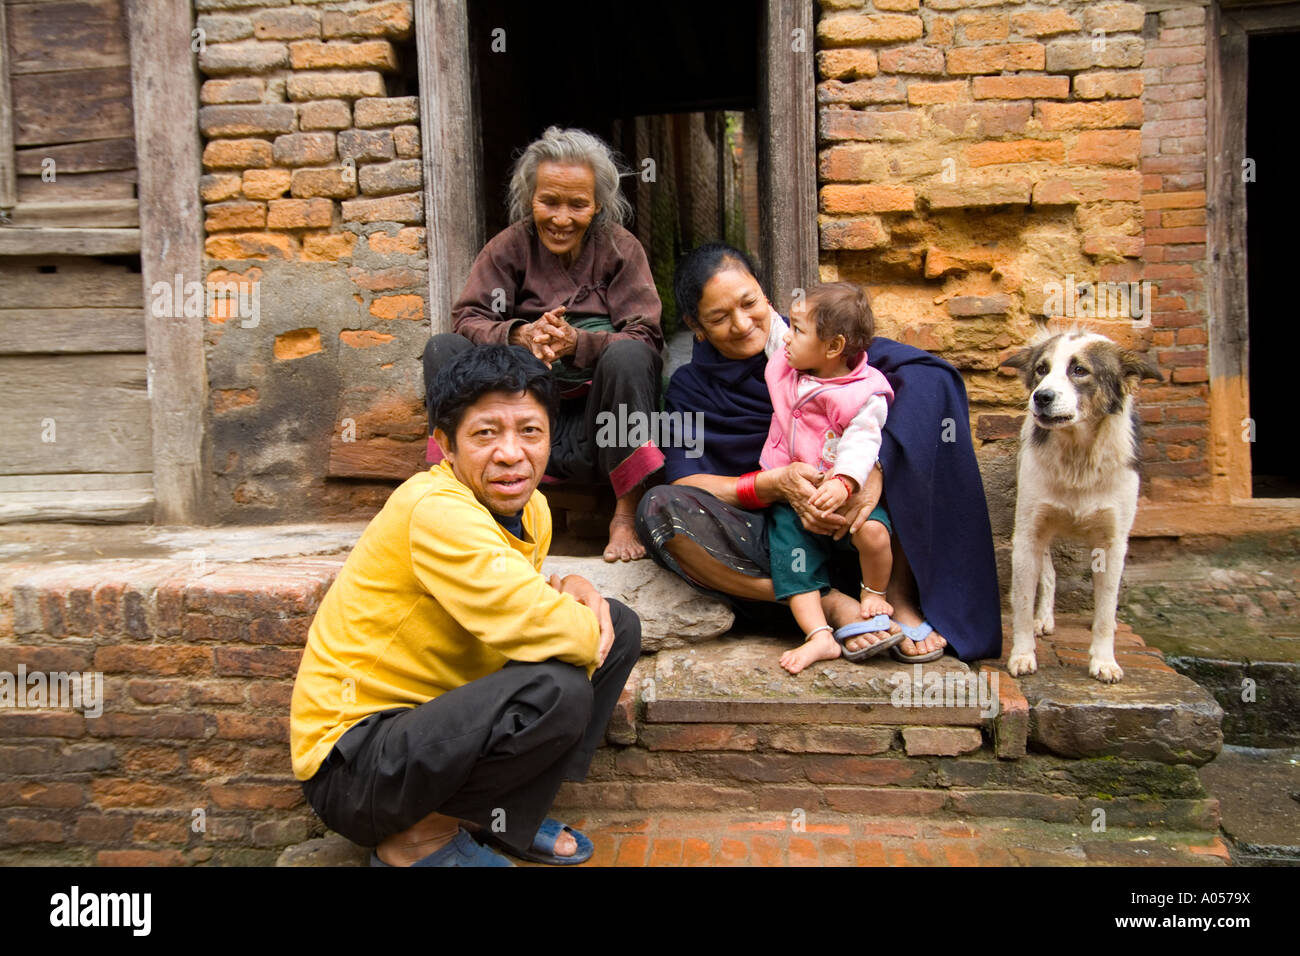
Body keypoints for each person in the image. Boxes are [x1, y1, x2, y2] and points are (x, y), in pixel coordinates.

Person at [291, 345, 642, 867]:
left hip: (430, 736)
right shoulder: (435, 510)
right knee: (558, 687)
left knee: (619, 625)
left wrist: (570, 582)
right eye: (485, 433)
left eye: (530, 431)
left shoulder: (532, 507)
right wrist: (568, 600)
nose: (510, 453)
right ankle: (415, 842)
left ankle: (500, 814)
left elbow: (514, 594)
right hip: (357, 766)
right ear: (445, 446)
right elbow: (545, 625)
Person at [636, 243, 1002, 665]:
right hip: (776, 537)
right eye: (719, 318)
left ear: (766, 293)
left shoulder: (822, 343)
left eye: (749, 303)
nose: (742, 324)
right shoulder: (692, 387)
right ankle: (827, 603)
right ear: (695, 326)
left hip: (859, 532)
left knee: (909, 428)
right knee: (659, 510)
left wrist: (873, 471)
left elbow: (932, 381)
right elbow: (686, 482)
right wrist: (772, 485)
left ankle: (895, 596)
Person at [423, 126, 664, 562]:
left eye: (578, 204)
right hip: (516, 424)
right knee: (444, 347)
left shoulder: (620, 249)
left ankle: (625, 515)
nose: (561, 218)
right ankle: (456, 505)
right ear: (529, 198)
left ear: (599, 206)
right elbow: (468, 318)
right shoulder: (509, 247)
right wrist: (520, 335)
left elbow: (645, 333)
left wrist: (577, 343)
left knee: (631, 354)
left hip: (598, 431)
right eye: (548, 201)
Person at [762, 283, 900, 674]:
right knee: (792, 558)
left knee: (874, 533)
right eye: (789, 326)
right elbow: (773, 329)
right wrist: (765, 309)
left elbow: (862, 442)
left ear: (834, 346)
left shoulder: (862, 394)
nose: (788, 336)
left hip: (845, 496)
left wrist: (844, 482)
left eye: (799, 329)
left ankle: (874, 592)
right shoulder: (788, 362)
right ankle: (819, 634)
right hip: (796, 495)